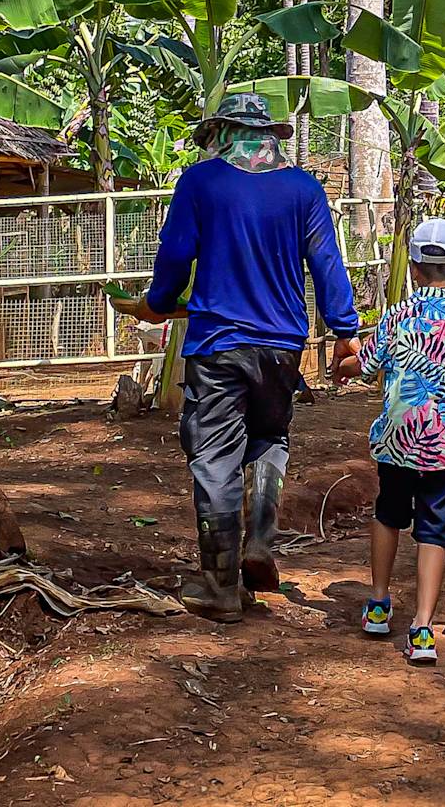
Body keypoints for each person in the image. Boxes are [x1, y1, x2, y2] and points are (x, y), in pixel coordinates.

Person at [113, 93, 361, 623]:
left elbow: (176, 257)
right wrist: (345, 330)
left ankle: (221, 586)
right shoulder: (304, 188)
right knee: (271, 437)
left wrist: (156, 305)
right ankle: (261, 541)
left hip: (218, 346)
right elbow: (326, 262)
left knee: (215, 459)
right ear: (270, 135)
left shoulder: (199, 183)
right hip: (282, 348)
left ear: (221, 132)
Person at [335, 219, 445, 664]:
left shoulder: (396, 316)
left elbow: (367, 364)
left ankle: (377, 604)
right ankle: (422, 629)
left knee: (388, 515)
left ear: (413, 268)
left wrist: (344, 365)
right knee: (434, 532)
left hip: (397, 440)